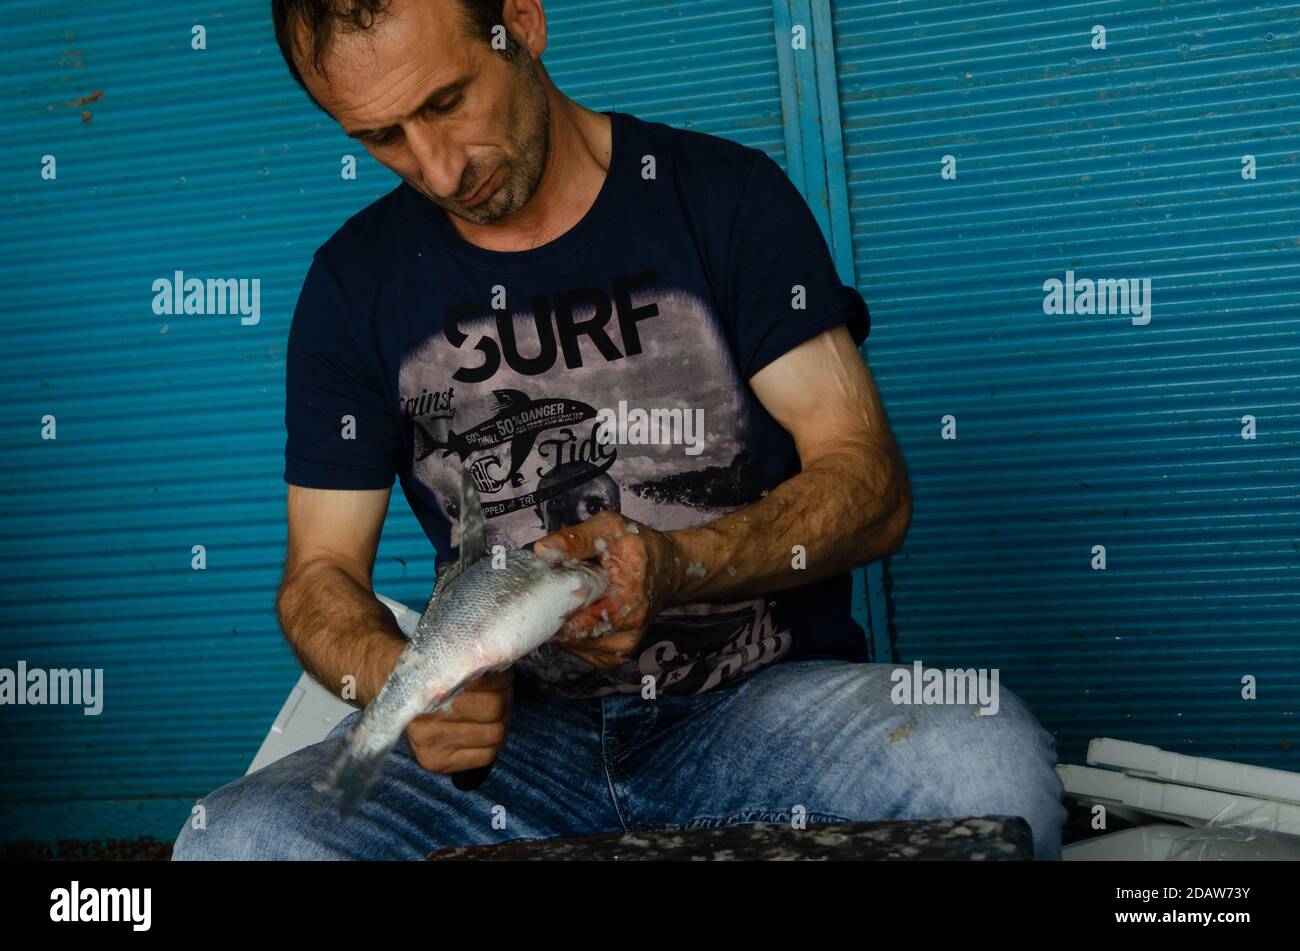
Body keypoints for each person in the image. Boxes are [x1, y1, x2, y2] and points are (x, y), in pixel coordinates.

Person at [172, 0, 1065, 860]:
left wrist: (677, 566)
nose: (437, 168)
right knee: (236, 841)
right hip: (517, 752)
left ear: (520, 19)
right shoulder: (351, 286)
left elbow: (870, 483)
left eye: (446, 103)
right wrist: (406, 685)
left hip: (756, 712)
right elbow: (317, 578)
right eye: (381, 137)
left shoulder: (722, 198)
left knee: (986, 756)